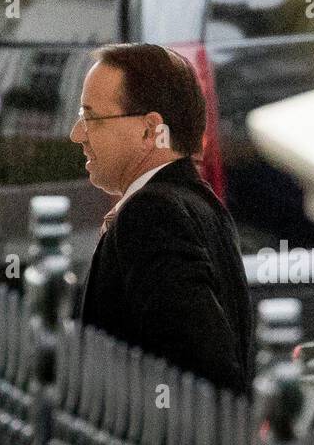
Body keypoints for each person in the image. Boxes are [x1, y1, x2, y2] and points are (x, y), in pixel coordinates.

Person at [70, 43, 253, 395]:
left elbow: (202, 366)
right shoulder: (200, 204)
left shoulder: (152, 215)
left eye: (91, 117)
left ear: (149, 130)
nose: (78, 134)